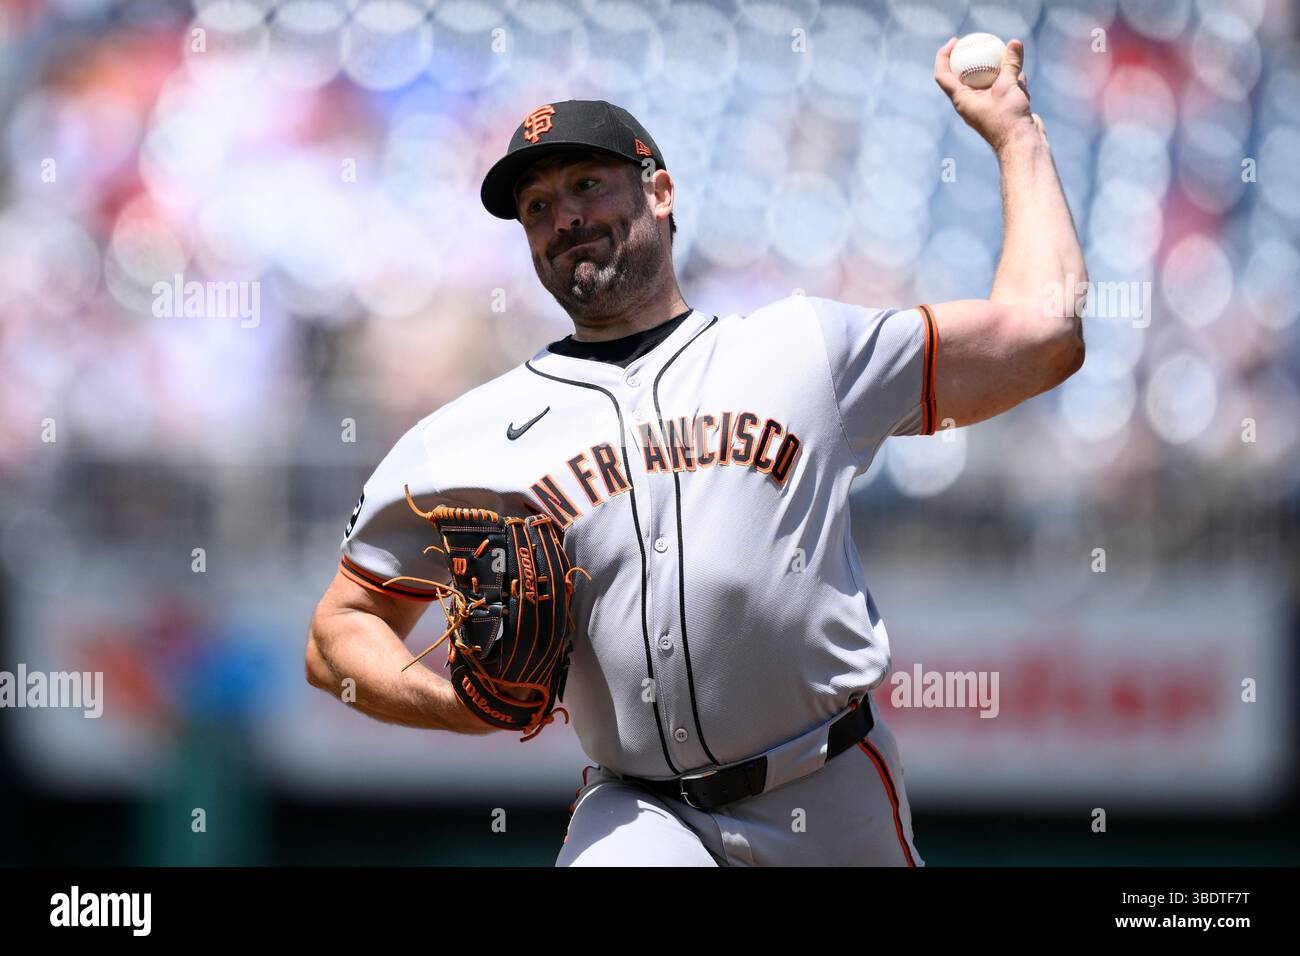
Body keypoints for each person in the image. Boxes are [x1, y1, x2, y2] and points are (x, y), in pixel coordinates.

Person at [305, 38, 1086, 866]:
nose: (562, 215)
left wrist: (1016, 135)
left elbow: (1045, 336)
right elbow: (337, 634)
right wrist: (450, 705)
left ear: (662, 191)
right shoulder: (467, 438)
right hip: (639, 813)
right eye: (536, 206)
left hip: (831, 789)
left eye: (585, 185)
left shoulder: (803, 349)